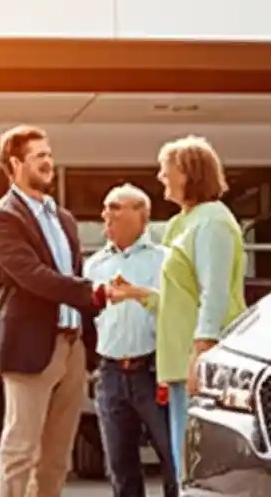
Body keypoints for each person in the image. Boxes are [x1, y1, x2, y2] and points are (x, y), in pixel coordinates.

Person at [0, 125, 112, 497]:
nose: (48, 163)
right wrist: (95, 293)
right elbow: (33, 276)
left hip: (72, 348)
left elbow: (72, 273)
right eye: (39, 156)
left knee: (56, 457)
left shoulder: (63, 218)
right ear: (15, 162)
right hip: (32, 348)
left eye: (50, 155)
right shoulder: (0, 218)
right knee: (20, 451)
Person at [109, 135, 247, 478]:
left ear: (186, 173)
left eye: (165, 169)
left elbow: (213, 291)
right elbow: (176, 299)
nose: (160, 177)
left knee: (199, 466)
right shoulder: (179, 224)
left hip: (198, 360)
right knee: (182, 463)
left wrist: (201, 352)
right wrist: (139, 294)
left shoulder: (213, 221)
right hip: (175, 362)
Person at [82, 184, 178, 497]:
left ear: (141, 214)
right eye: (105, 208)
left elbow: (178, 309)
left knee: (173, 461)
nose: (105, 214)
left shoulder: (165, 260)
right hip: (109, 374)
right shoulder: (94, 265)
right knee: (120, 467)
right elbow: (88, 317)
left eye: (115, 207)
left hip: (152, 372)